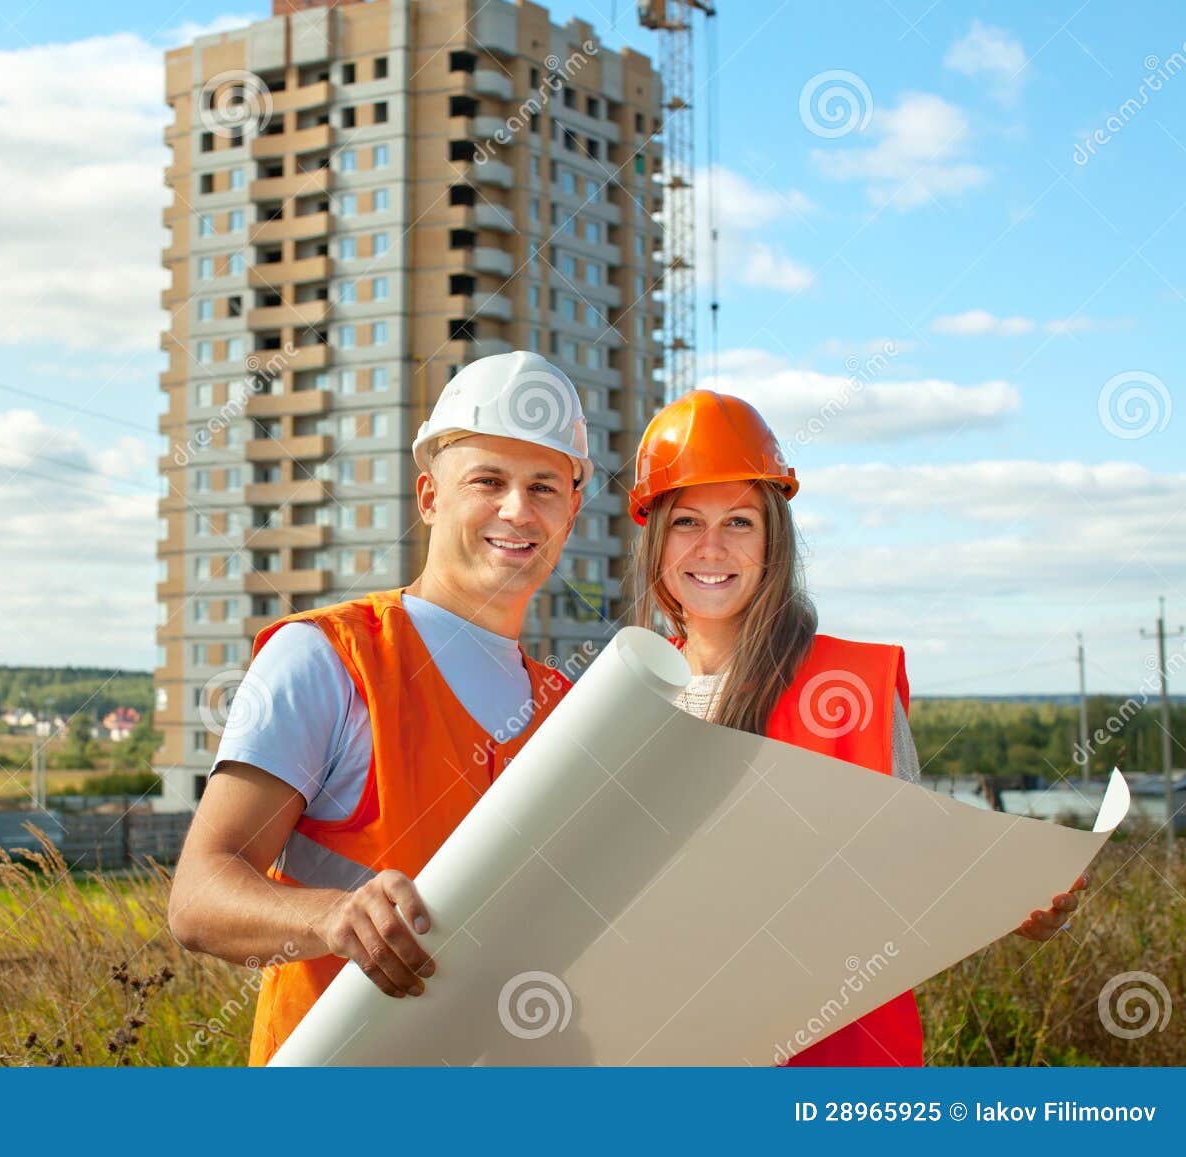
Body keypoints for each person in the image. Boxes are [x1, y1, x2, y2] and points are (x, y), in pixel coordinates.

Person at [624, 389, 1089, 1066]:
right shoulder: (624, 699)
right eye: (688, 520)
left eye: (741, 522)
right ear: (655, 536)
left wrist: (1012, 898)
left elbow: (916, 870)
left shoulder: (854, 691)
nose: (712, 547)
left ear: (774, 539)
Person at [168, 352, 592, 1065]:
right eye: (487, 480)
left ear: (571, 513)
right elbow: (199, 897)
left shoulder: (570, 712)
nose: (518, 510)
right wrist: (334, 916)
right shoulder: (328, 658)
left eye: (543, 487)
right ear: (429, 497)